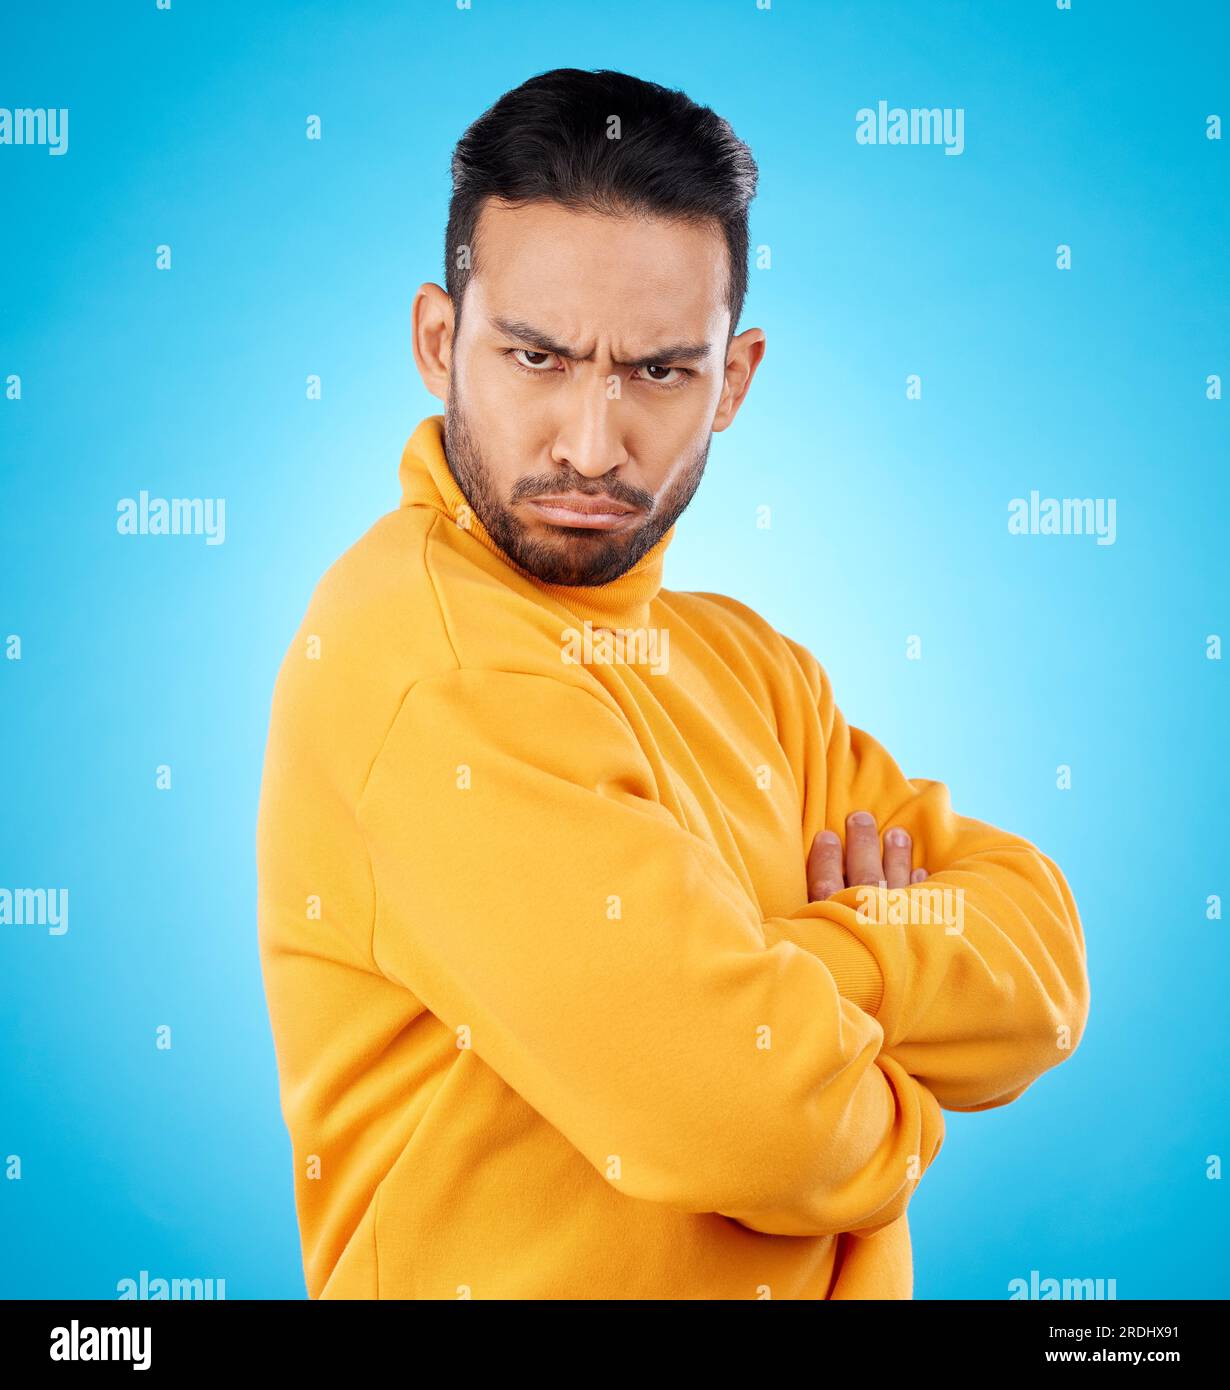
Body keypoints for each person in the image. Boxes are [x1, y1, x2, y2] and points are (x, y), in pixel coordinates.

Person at [256, 67, 1090, 1300]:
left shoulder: (750, 666)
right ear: (439, 342)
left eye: (656, 373)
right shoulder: (425, 659)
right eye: (536, 357)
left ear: (735, 380)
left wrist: (815, 962)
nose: (592, 444)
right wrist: (904, 1085)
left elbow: (1042, 952)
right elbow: (754, 1117)